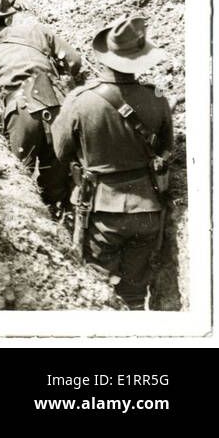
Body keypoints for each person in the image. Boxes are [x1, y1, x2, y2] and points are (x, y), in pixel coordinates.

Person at [52, 16, 173, 309]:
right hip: (148, 209)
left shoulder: (79, 100)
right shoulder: (156, 99)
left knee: (98, 290)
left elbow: (60, 152)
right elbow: (166, 150)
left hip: (101, 210)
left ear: (104, 57)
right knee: (135, 289)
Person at [0, 0, 82, 208]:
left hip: (22, 112)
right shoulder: (36, 30)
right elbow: (74, 60)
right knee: (57, 176)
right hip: (59, 107)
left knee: (20, 180)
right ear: (5, 21)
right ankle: (58, 214)